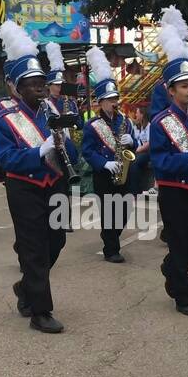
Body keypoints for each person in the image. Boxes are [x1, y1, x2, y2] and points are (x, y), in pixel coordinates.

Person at [0, 21, 79, 333]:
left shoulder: (51, 110)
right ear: (17, 87)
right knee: (34, 248)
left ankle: (27, 286)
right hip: (24, 187)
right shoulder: (4, 117)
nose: (40, 87)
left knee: (57, 240)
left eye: (42, 81)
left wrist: (65, 143)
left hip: (54, 184)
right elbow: (4, 158)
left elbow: (68, 149)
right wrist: (38, 152)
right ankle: (40, 312)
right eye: (32, 83)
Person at [150, 6, 188, 317]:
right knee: (179, 241)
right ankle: (184, 296)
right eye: (184, 86)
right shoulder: (161, 121)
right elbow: (160, 163)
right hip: (173, 190)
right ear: (171, 90)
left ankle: (172, 268)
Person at [81, 46, 139, 262]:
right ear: (101, 101)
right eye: (110, 99)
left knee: (124, 211)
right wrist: (104, 164)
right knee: (108, 213)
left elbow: (134, 145)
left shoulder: (124, 121)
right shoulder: (92, 125)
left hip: (123, 173)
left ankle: (113, 237)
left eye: (115, 98)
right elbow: (87, 151)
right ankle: (111, 248)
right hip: (104, 174)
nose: (114, 102)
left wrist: (131, 142)